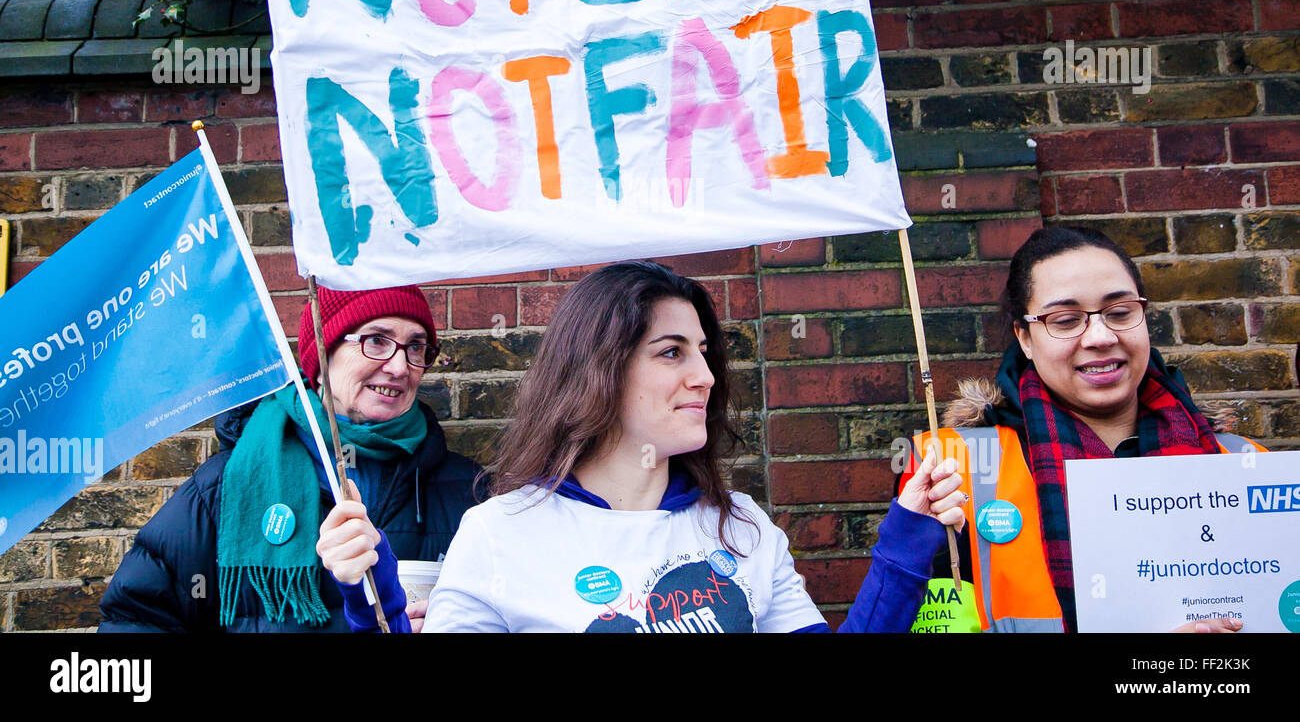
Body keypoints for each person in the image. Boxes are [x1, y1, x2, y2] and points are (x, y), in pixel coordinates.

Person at [318, 260, 966, 632]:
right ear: (598, 368)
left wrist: (907, 536)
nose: (705, 377)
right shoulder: (498, 534)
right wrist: (370, 597)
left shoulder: (743, 527)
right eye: (670, 353)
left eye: (704, 354)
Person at [895, 226, 1264, 633]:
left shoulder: (1244, 463)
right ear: (1025, 337)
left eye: (1120, 312)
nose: (1101, 337)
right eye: (1066, 320)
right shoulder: (949, 471)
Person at [98, 285, 481, 632]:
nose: (400, 366)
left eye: (415, 346)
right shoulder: (226, 487)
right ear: (323, 355)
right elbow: (135, 620)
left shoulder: (470, 492)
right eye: (376, 341)